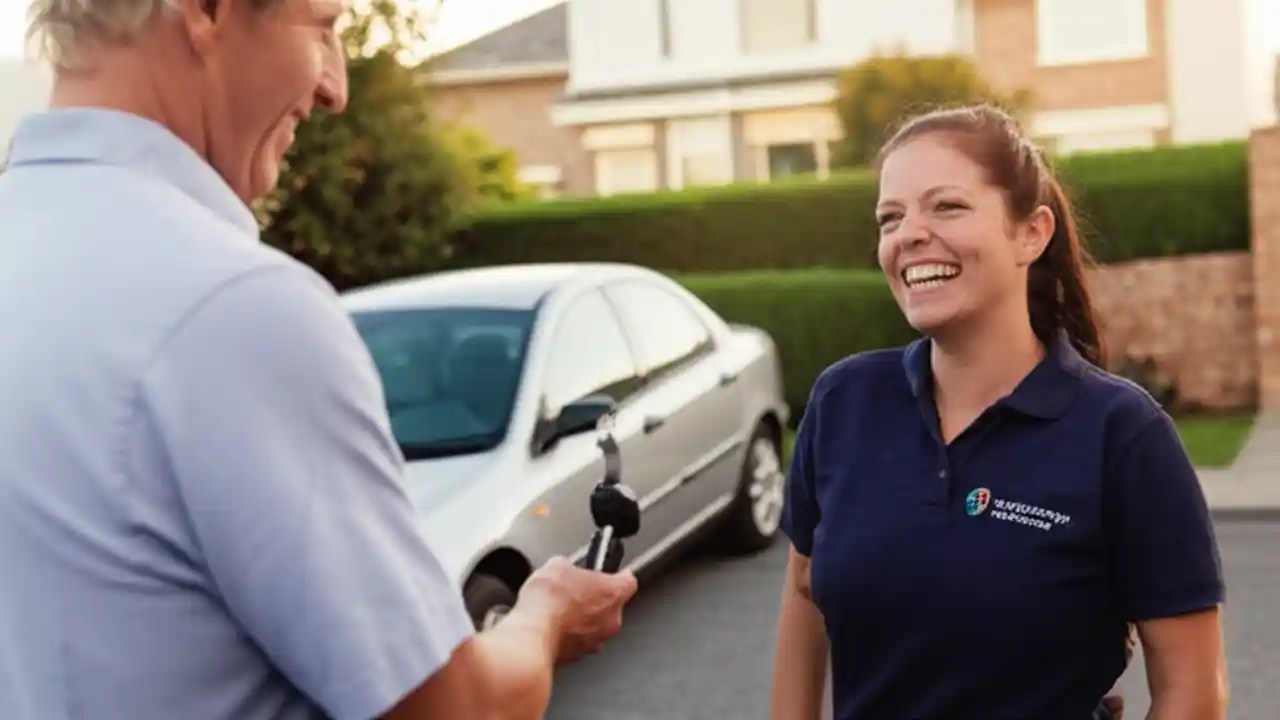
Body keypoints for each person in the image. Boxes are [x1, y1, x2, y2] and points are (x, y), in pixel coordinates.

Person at [0, 1, 636, 719]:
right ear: (208, 10)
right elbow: (461, 712)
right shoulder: (233, 306)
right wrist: (544, 616)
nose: (336, 89)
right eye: (322, 26)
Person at [770, 104, 1229, 720]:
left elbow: (1192, 690)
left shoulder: (1123, 435)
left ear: (1030, 233)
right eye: (890, 217)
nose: (908, 234)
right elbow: (805, 593)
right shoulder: (842, 402)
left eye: (946, 206)